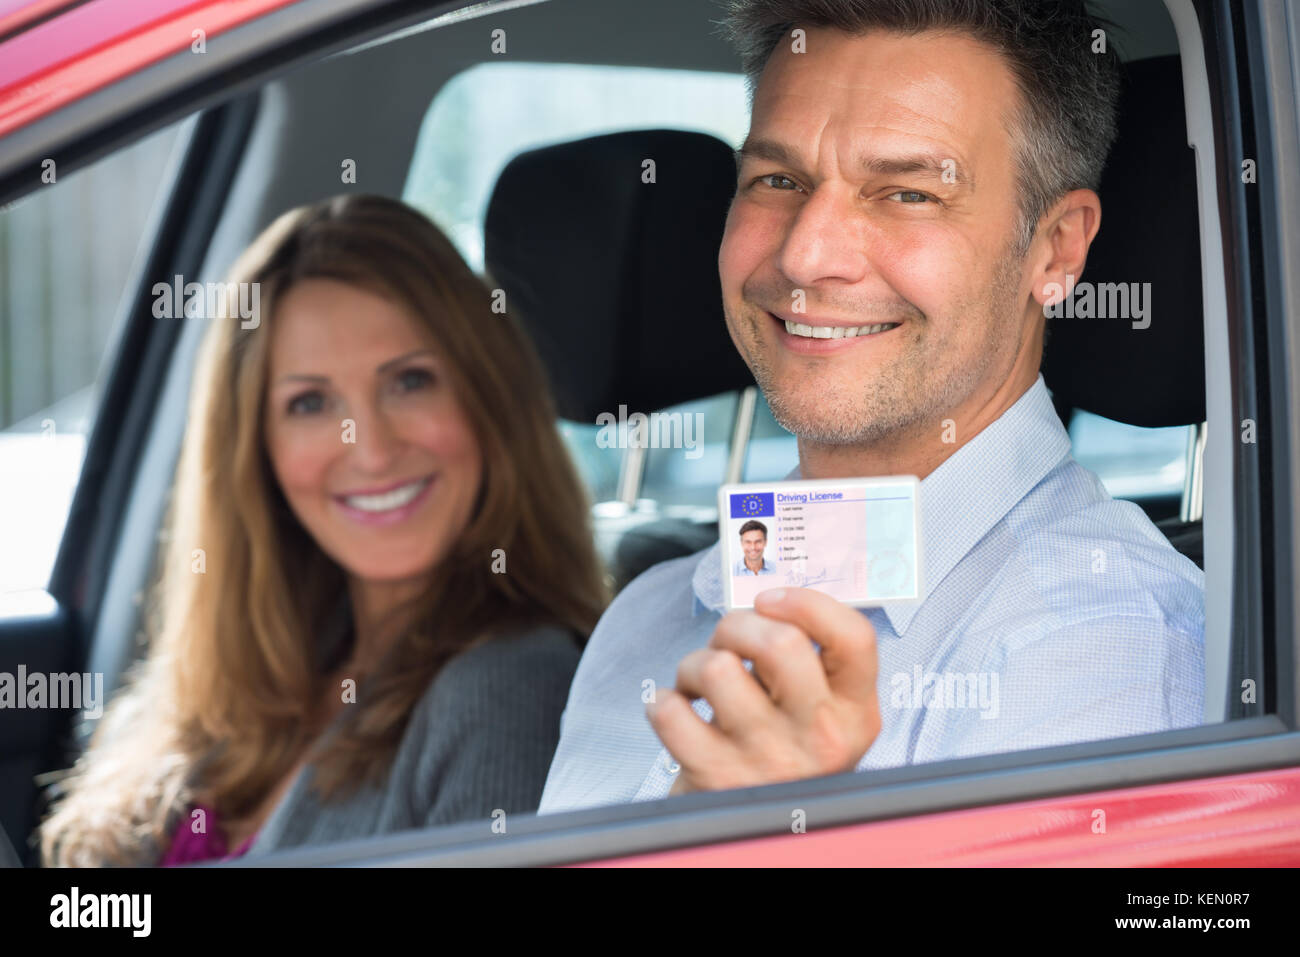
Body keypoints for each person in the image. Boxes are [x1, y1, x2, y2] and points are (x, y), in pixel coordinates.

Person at [538, 0, 1204, 811]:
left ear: (1056, 247)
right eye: (777, 180)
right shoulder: (645, 617)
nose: (805, 254)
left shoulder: (1105, 644)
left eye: (908, 194)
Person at [40, 194, 607, 865]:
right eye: (310, 402)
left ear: (488, 400)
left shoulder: (506, 682)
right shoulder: (271, 663)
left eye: (410, 381)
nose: (369, 448)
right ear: (256, 448)